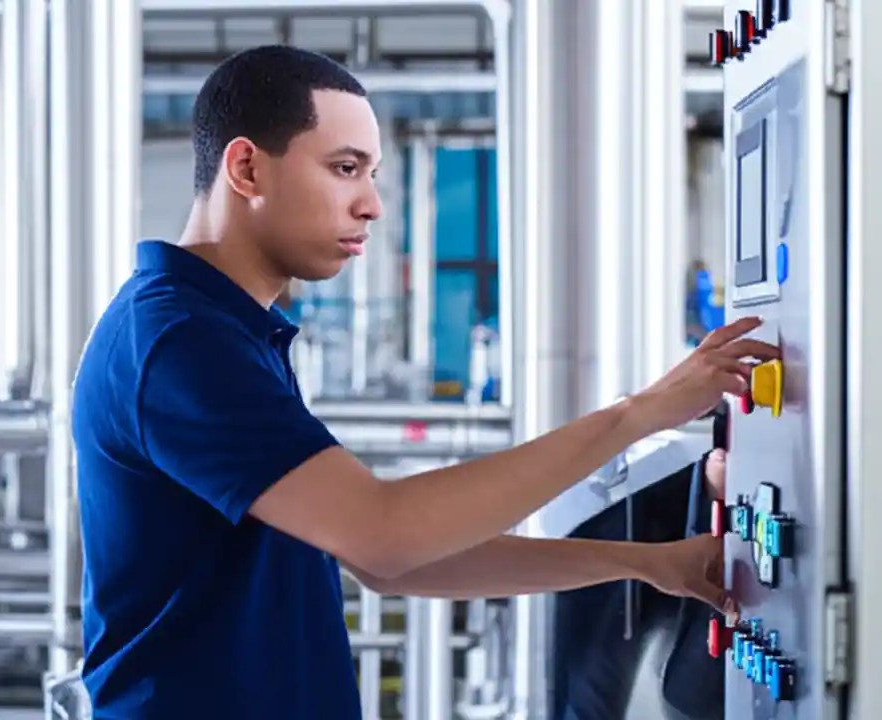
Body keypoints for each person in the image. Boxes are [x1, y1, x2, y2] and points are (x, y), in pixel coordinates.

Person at [70, 45, 776, 720]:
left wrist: (648, 565)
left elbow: (391, 565)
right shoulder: (180, 340)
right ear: (248, 169)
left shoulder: (229, 329)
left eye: (371, 173)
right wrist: (640, 414)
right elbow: (384, 535)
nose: (372, 204)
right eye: (346, 168)